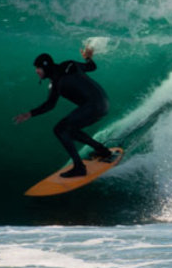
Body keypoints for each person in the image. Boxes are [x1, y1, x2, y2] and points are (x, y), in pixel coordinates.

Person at [13, 45, 114, 178]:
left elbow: (50, 105)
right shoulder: (69, 64)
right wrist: (89, 58)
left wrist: (30, 114)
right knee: (69, 129)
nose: (37, 71)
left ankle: (79, 167)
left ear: (46, 66)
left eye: (38, 68)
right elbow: (91, 67)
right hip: (104, 102)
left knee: (60, 130)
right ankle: (102, 151)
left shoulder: (55, 82)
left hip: (93, 106)